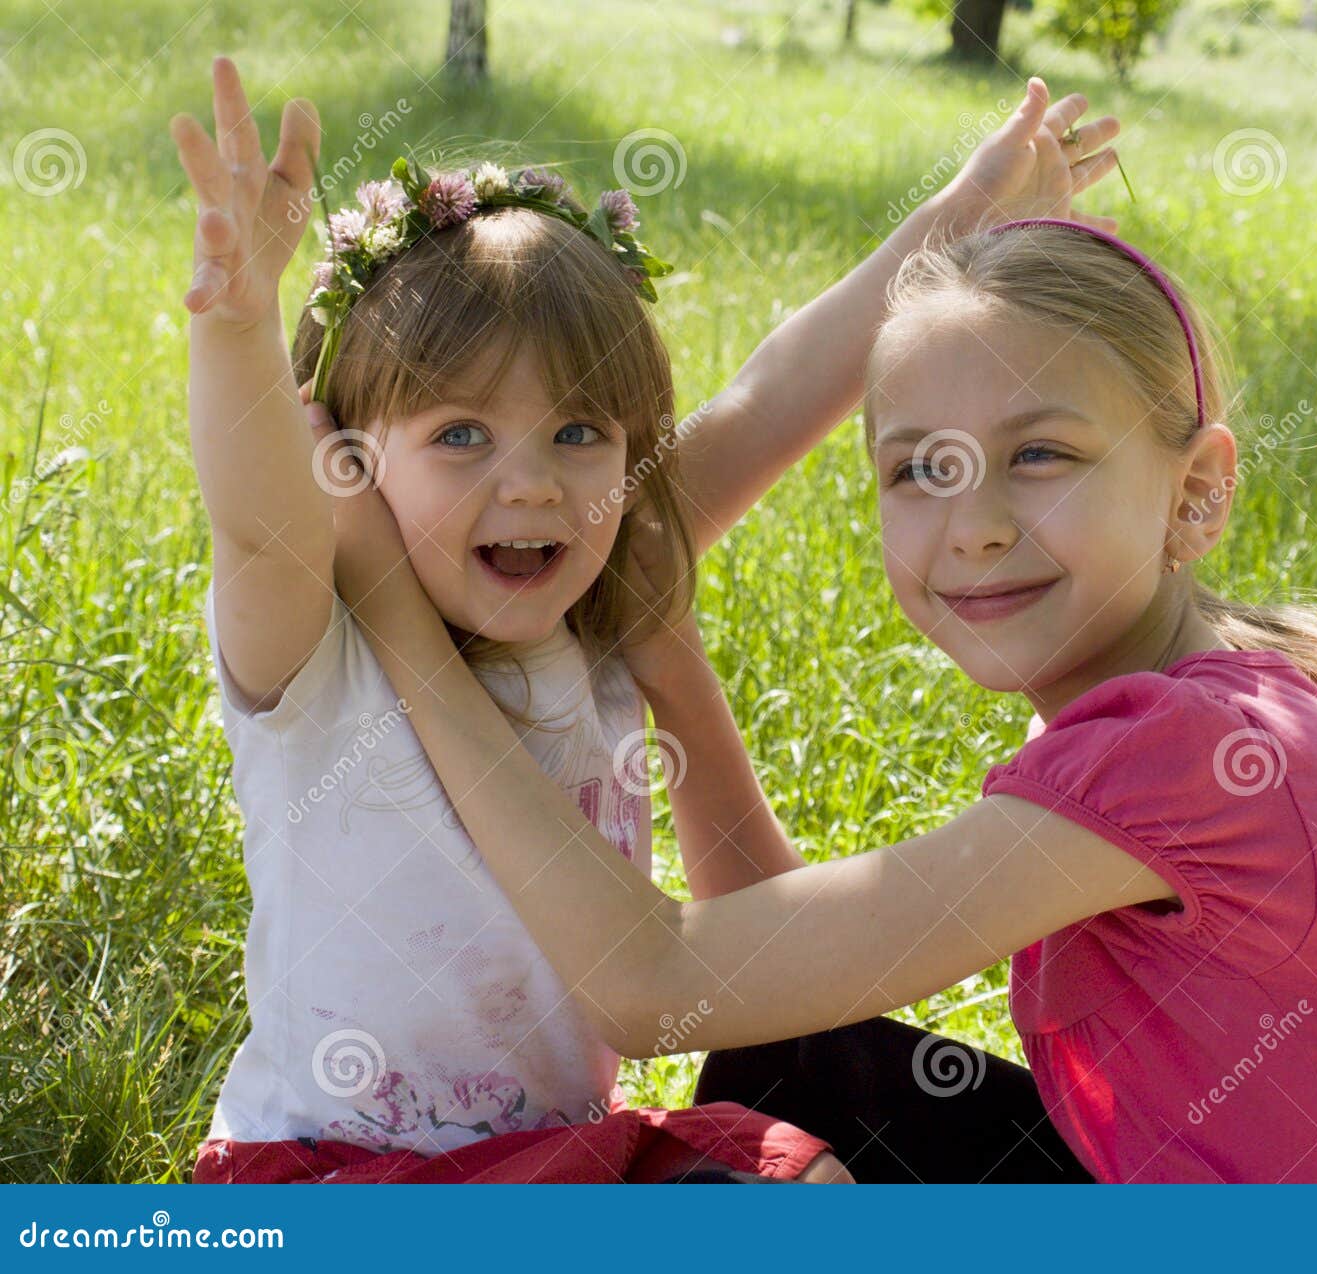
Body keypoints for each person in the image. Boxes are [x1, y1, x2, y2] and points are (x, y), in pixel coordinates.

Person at [325, 212, 1317, 1183]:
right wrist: (665, 656)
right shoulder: (1235, 688)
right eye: (920, 470)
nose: (975, 526)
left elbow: (650, 986)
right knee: (805, 1059)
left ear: (1196, 490)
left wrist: (405, 637)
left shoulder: (1192, 753)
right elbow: (767, 973)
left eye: (1038, 455)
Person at [171, 53, 1120, 1182]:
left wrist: (960, 219)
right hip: (334, 1174)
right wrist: (236, 329)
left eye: (579, 433)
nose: (533, 484)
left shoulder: (607, 601)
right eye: (461, 434)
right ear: (348, 459)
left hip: (554, 1154)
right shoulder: (318, 657)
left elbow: (776, 394)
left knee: (800, 1182)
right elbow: (259, 528)